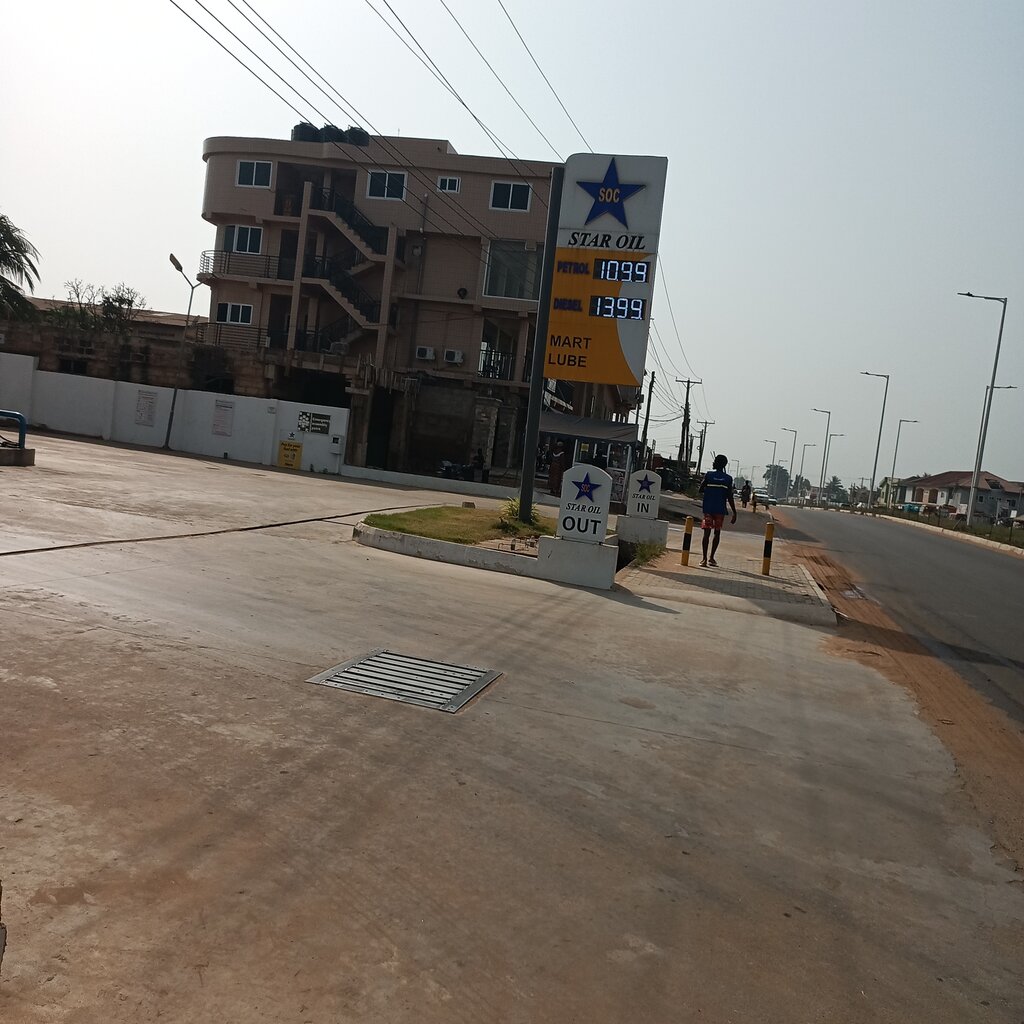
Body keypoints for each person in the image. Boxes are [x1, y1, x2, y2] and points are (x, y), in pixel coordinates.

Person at [697, 454, 737, 567]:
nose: (713, 462)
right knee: (717, 532)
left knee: (706, 533)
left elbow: (700, 489)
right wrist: (734, 512)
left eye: (714, 461)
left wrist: (709, 490)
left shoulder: (709, 475)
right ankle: (711, 558)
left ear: (717, 463)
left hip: (708, 508)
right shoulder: (728, 479)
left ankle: (704, 559)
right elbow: (730, 497)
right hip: (720, 509)